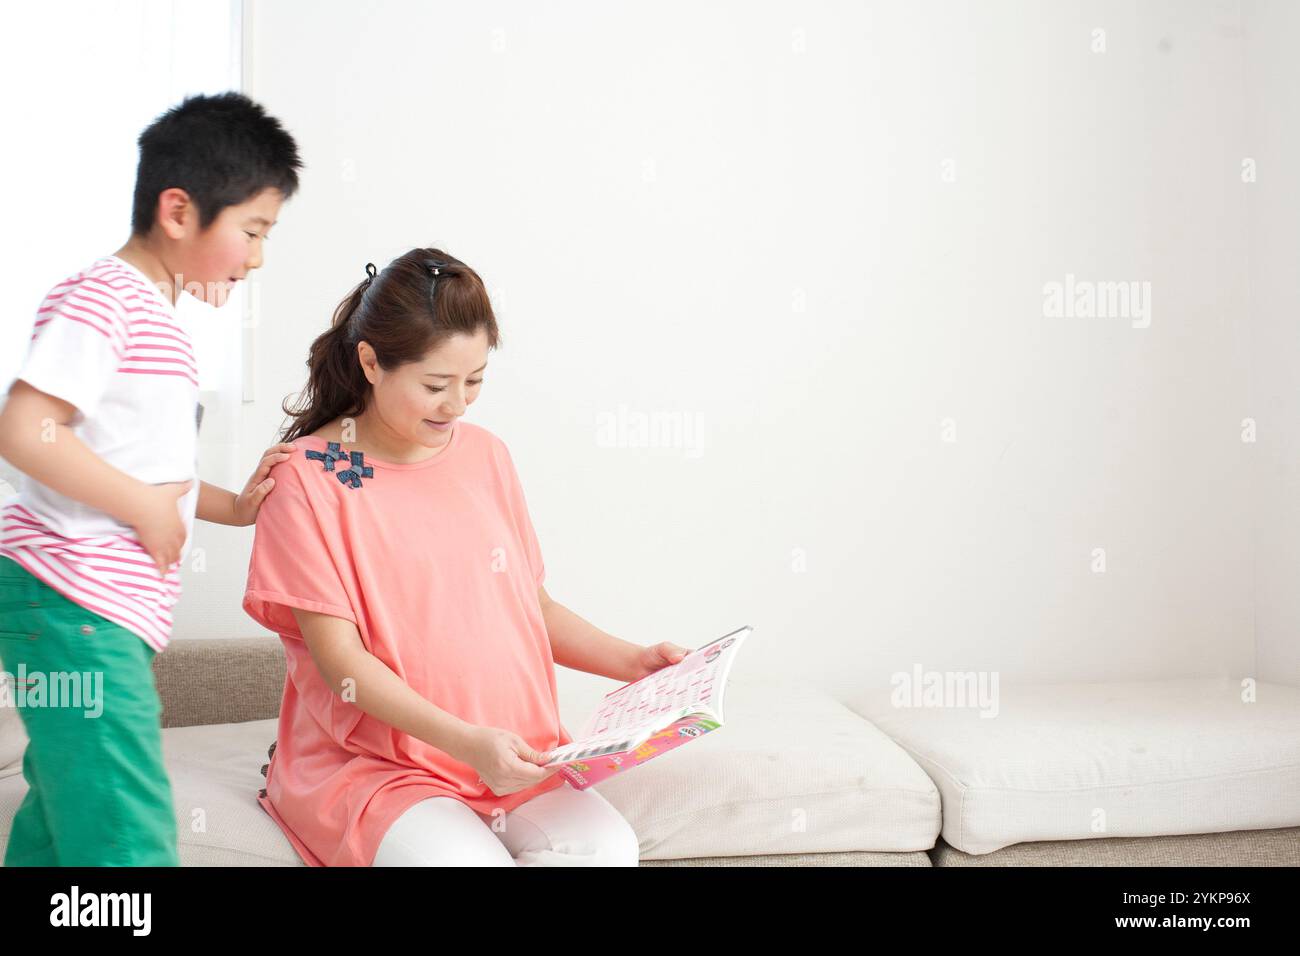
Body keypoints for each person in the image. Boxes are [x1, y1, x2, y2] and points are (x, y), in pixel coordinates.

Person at [243, 247, 690, 865]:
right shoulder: (308, 480)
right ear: (370, 362)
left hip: (512, 753)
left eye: (474, 380)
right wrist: (467, 742)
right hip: (377, 767)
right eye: (435, 384)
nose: (457, 404)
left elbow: (532, 606)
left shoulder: (485, 455)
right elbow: (340, 662)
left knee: (606, 850)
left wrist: (632, 661)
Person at [0, 92, 304, 865]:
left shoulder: (161, 325)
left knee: (64, 813)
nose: (259, 256)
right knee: (126, 828)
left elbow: (149, 471)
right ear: (179, 211)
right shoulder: (104, 298)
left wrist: (236, 506)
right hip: (71, 602)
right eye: (253, 230)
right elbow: (26, 429)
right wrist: (140, 505)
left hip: (100, 615)